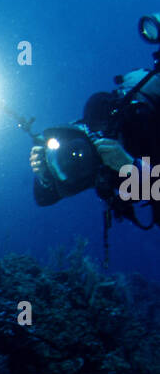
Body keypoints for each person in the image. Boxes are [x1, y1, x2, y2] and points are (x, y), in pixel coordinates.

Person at [30, 18, 160, 229]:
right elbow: (45, 198)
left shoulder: (149, 126)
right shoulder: (100, 131)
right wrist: (45, 173)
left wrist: (130, 167)